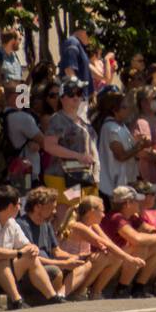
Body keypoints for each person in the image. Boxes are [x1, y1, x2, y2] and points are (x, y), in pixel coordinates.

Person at [0, 184, 64, 308]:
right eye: (19, 204)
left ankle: (52, 296)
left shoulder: (11, 223)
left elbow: (27, 245)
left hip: (3, 273)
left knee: (30, 258)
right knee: (1, 259)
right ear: (11, 206)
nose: (20, 207)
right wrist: (19, 253)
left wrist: (32, 249)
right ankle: (17, 300)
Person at [100, 185, 156, 297]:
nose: (139, 203)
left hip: (120, 261)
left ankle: (139, 287)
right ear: (128, 203)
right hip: (108, 262)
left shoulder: (132, 216)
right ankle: (121, 289)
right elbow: (137, 239)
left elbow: (148, 228)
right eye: (136, 201)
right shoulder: (116, 217)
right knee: (140, 246)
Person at [17, 186, 94, 299]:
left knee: (86, 265)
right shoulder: (22, 225)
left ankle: (60, 295)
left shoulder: (46, 224)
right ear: (38, 207)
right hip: (34, 270)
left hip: (52, 263)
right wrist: (64, 264)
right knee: (55, 271)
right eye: (52, 208)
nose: (55, 211)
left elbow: (57, 252)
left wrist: (76, 257)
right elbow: (31, 258)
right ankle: (51, 297)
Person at [41, 79, 101, 219]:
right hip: (62, 177)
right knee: (66, 215)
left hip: (82, 176)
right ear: (62, 98)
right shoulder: (58, 119)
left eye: (79, 93)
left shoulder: (83, 120)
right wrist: (78, 156)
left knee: (81, 214)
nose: (76, 97)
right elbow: (49, 145)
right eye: (71, 94)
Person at [59, 196, 134, 299]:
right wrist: (130, 259)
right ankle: (78, 292)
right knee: (99, 259)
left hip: (80, 261)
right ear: (91, 212)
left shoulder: (93, 225)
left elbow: (108, 243)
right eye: (101, 211)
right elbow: (104, 243)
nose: (103, 215)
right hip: (68, 265)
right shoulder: (78, 226)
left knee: (114, 256)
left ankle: (95, 292)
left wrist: (118, 253)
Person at [96, 91, 148, 205]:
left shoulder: (121, 125)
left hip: (124, 182)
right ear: (114, 110)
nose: (128, 109)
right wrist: (139, 147)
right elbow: (121, 155)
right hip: (112, 185)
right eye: (124, 107)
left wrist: (137, 142)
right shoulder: (110, 128)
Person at [58, 21, 94, 98]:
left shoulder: (79, 46)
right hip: (75, 98)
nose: (91, 39)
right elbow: (69, 71)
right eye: (90, 34)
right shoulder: (72, 42)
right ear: (83, 31)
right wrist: (76, 95)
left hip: (80, 98)